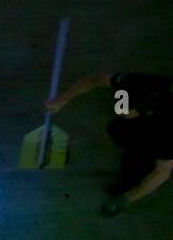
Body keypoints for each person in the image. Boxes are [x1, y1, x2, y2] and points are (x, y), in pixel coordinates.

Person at [46, 71, 173, 216]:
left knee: (138, 164)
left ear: (145, 111)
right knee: (117, 129)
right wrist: (62, 99)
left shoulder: (167, 130)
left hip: (160, 129)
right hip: (148, 117)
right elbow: (96, 78)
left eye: (126, 110)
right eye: (120, 105)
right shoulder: (134, 82)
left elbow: (162, 172)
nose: (120, 112)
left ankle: (134, 173)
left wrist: (125, 199)